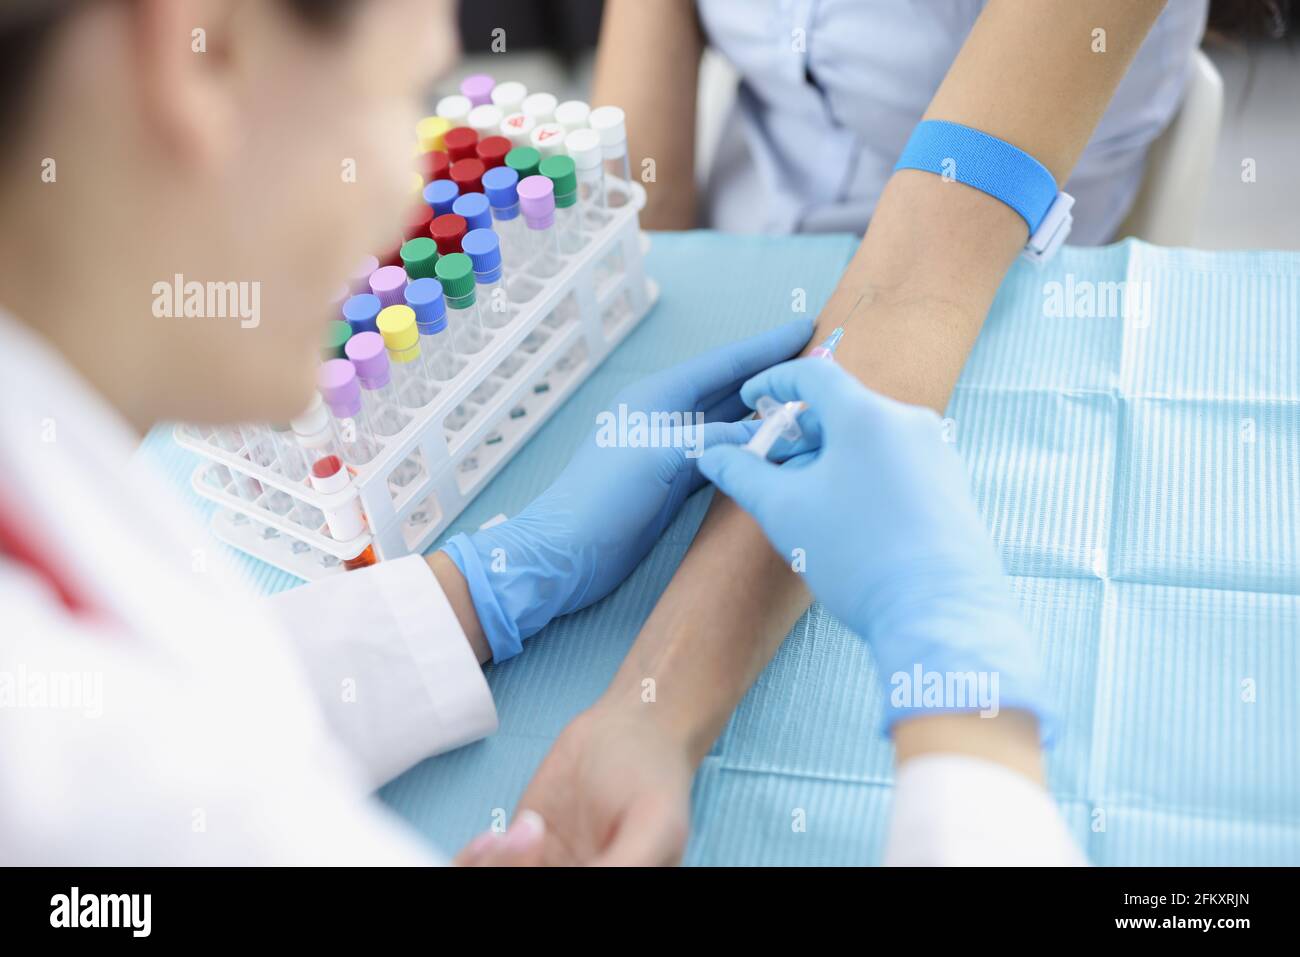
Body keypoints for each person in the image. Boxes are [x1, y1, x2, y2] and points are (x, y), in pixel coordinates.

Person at [0, 0, 811, 865]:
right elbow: (160, 777)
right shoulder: (77, 787)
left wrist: (483, 586)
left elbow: (187, 697)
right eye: (402, 92)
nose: (405, 190)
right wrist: (965, 745)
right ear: (202, 49)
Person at [511, 0, 1207, 864]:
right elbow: (647, 204)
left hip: (976, 323)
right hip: (748, 267)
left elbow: (917, 282)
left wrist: (648, 714)